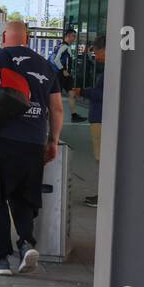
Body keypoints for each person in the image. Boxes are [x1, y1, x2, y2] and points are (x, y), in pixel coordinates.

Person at [0, 21, 64, 275]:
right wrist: (53, 140)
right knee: (24, 198)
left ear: (4, 36)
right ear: (28, 37)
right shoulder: (46, 65)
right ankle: (26, 244)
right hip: (33, 142)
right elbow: (56, 108)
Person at [73, 35, 107, 208]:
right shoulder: (109, 70)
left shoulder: (111, 71)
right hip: (98, 119)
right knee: (100, 160)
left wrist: (83, 92)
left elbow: (104, 95)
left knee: (103, 160)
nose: (96, 55)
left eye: (97, 51)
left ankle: (105, 195)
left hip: (101, 120)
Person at [51, 29, 83, 122]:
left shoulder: (61, 46)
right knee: (57, 96)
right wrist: (63, 70)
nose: (74, 38)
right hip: (61, 74)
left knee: (71, 93)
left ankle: (74, 115)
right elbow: (56, 60)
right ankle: (53, 115)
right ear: (68, 36)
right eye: (73, 36)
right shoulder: (64, 47)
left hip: (65, 75)